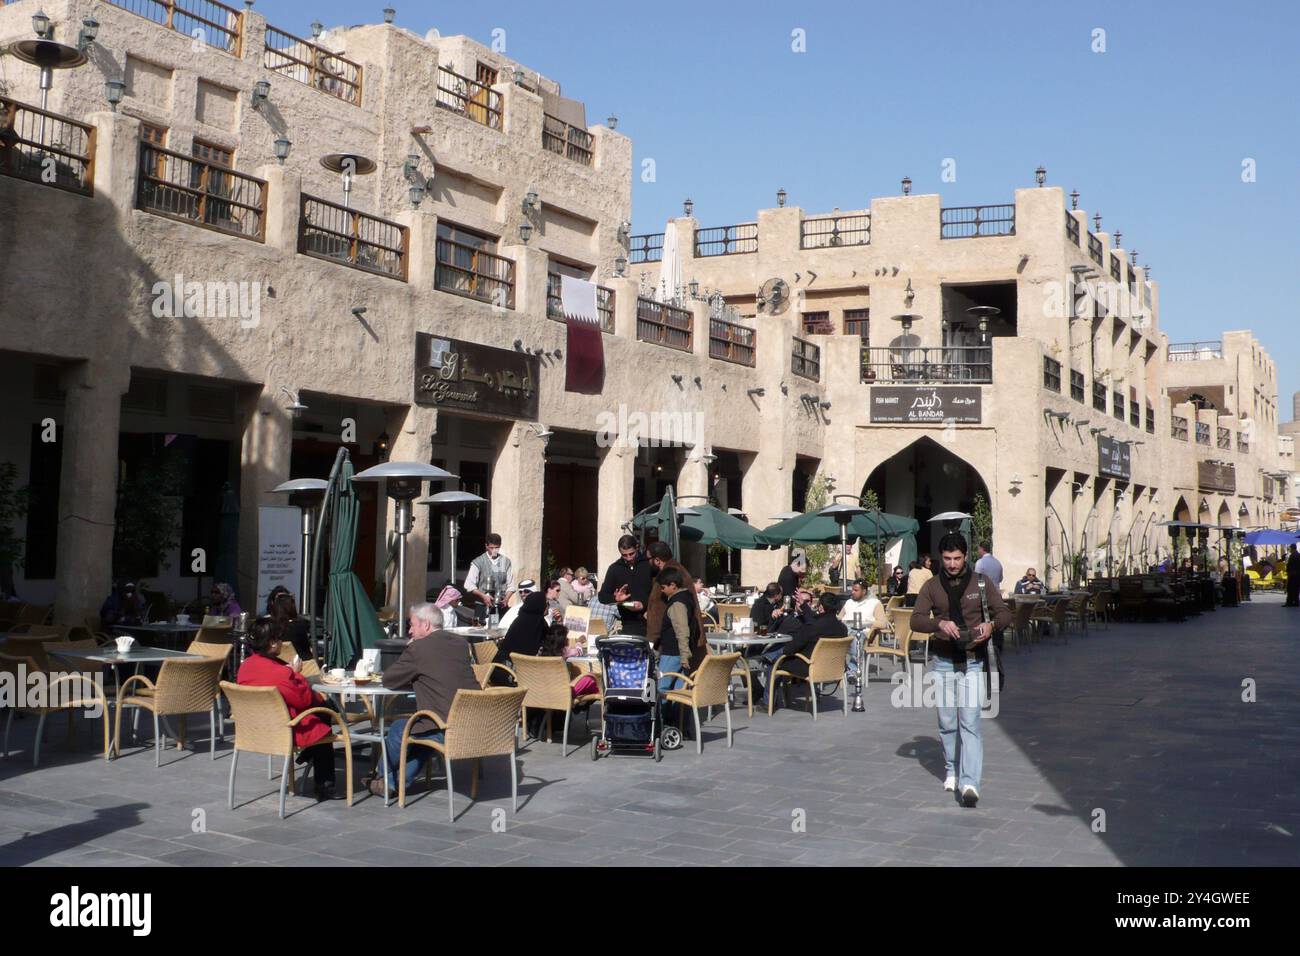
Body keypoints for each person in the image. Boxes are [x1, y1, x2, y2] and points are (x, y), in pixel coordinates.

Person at [910, 533, 1013, 809]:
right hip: (943, 661)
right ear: (940, 558)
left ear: (966, 556)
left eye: (957, 558)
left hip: (973, 661)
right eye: (947, 559)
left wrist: (991, 626)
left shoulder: (981, 583)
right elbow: (916, 619)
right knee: (947, 722)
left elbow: (1004, 613)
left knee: (970, 721)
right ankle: (952, 769)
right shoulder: (932, 586)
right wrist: (938, 624)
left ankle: (970, 783)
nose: (953, 564)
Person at [375, 603, 478, 798]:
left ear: (426, 625)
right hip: (473, 723)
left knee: (399, 728)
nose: (410, 630)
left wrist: (411, 651)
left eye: (412, 625)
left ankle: (383, 777)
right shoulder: (460, 644)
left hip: (446, 727)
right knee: (422, 734)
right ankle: (394, 782)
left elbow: (389, 679)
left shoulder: (419, 648)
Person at [237, 616, 338, 801]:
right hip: (283, 730)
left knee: (322, 713)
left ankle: (310, 756)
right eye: (279, 638)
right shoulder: (281, 673)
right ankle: (325, 784)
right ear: (272, 643)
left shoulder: (245, 667)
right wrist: (295, 673)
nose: (282, 642)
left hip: (253, 730)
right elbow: (304, 700)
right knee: (324, 715)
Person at [768, 591, 847, 690]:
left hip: (810, 667)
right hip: (835, 668)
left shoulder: (813, 626)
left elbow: (790, 649)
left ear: (821, 607)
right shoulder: (843, 628)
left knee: (774, 661)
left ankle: (768, 702)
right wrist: (804, 606)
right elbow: (813, 620)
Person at [645, 541, 704, 670]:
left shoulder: (668, 576)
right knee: (679, 685)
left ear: (657, 560)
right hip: (682, 643)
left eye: (648, 559)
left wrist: (651, 642)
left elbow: (658, 612)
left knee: (664, 685)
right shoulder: (679, 570)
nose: (647, 562)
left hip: (673, 646)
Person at [598, 535, 654, 636]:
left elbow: (657, 591)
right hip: (629, 622)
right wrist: (617, 599)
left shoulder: (648, 564)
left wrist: (644, 605)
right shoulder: (614, 569)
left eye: (631, 554)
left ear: (637, 547)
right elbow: (602, 596)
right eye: (624, 555)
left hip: (651, 618)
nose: (628, 558)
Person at [464, 533, 515, 621]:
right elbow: (469, 585)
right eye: (492, 548)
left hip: (500, 606)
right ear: (486, 546)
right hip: (482, 607)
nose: (494, 550)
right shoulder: (478, 562)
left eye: (497, 547)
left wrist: (506, 599)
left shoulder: (506, 562)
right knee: (480, 632)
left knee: (496, 633)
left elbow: (511, 585)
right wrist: (483, 596)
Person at [840, 579, 882, 682]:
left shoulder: (875, 603)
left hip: (863, 632)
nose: (852, 592)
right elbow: (840, 618)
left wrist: (864, 623)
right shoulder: (849, 602)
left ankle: (852, 670)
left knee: (856, 636)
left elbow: (883, 623)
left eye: (856, 590)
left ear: (864, 591)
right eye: (852, 590)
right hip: (845, 630)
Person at [269, 589, 312, 659]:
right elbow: (306, 649)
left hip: (277, 663)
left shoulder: (270, 626)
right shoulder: (299, 625)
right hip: (301, 664)